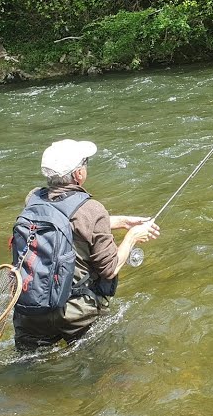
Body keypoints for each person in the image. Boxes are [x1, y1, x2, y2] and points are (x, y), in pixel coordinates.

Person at [12, 138, 159, 352]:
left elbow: (64, 222)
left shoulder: (33, 199)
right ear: (78, 174)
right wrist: (132, 237)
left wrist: (120, 221)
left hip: (30, 311)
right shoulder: (92, 210)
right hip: (74, 313)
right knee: (99, 360)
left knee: (30, 365)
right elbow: (109, 269)